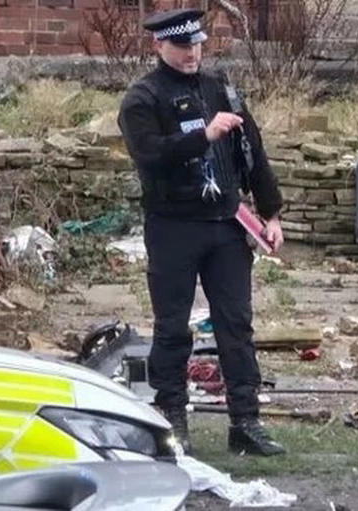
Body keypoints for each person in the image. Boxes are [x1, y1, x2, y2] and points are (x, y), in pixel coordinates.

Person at [118, 8, 285, 456]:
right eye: (181, 45)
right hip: (173, 225)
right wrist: (204, 136)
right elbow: (149, 154)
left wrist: (270, 213)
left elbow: (253, 150)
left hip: (226, 226)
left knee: (237, 325)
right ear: (159, 46)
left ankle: (246, 424)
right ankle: (172, 419)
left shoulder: (220, 88)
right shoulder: (143, 98)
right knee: (172, 328)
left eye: (196, 44)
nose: (192, 53)